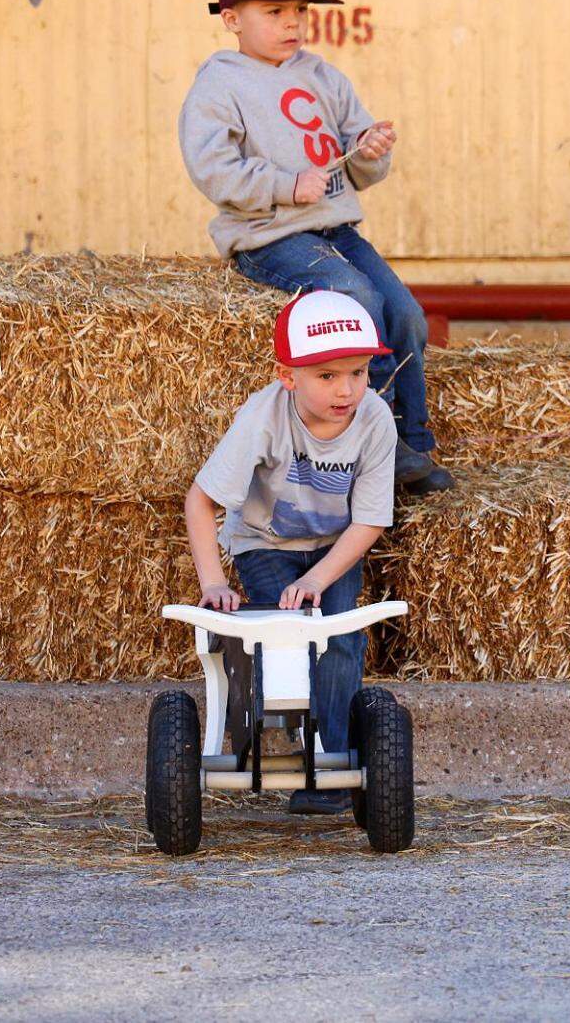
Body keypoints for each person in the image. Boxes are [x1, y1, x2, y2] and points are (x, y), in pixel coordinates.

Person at [178, 0, 451, 493]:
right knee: (356, 296)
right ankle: (378, 440)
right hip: (271, 235)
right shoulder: (220, 83)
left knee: (406, 315)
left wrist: (370, 150)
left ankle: (413, 442)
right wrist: (285, 184)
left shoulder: (323, 76)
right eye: (274, 11)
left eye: (299, 10)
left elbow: (358, 162)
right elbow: (213, 169)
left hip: (336, 229)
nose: (292, 22)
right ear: (231, 18)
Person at [184, 288, 398, 814]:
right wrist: (214, 583)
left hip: (334, 548)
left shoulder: (375, 420)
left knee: (338, 639)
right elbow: (201, 501)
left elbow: (370, 520)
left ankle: (331, 766)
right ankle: (258, 732)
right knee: (284, 640)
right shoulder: (264, 416)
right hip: (266, 543)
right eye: (326, 376)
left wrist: (318, 580)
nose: (346, 389)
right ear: (288, 376)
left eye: (358, 372)